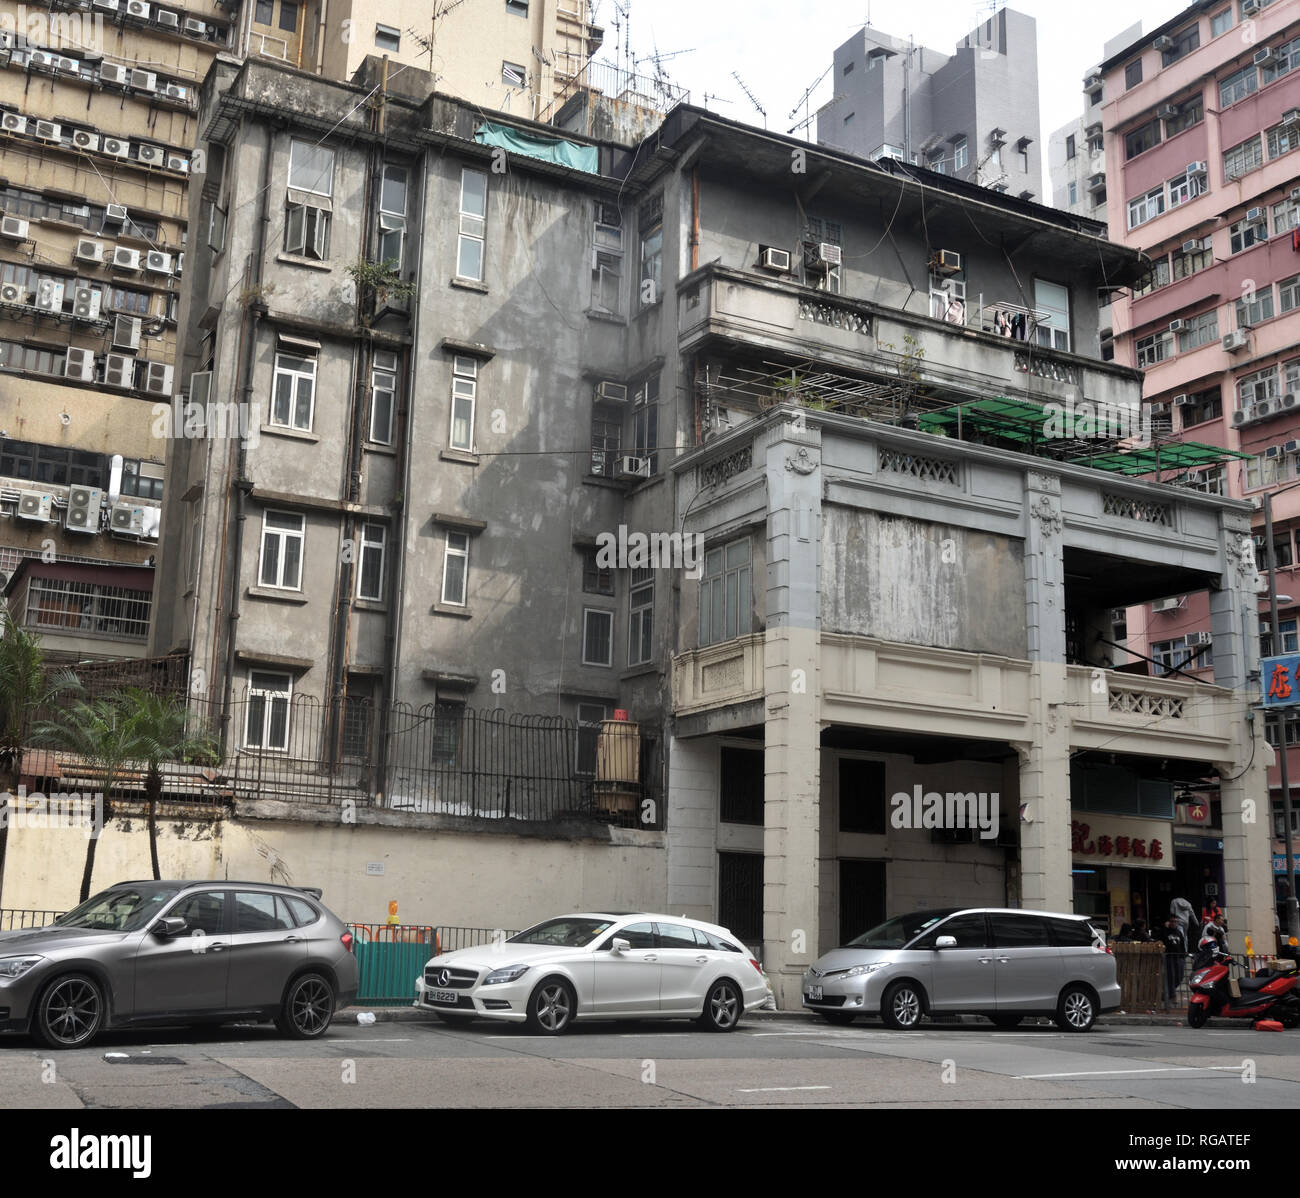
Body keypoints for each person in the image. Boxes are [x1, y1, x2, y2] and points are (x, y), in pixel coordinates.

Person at [1159, 916, 1186, 1012]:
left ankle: (1168, 991)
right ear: (1169, 922)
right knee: (1171, 976)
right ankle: (1172, 995)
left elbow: (1182, 944)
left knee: (1179, 977)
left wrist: (1183, 955)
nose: (1174, 923)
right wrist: (1165, 928)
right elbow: (1161, 938)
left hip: (1178, 957)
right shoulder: (1165, 932)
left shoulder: (1179, 933)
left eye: (1175, 922)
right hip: (1169, 957)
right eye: (1172, 921)